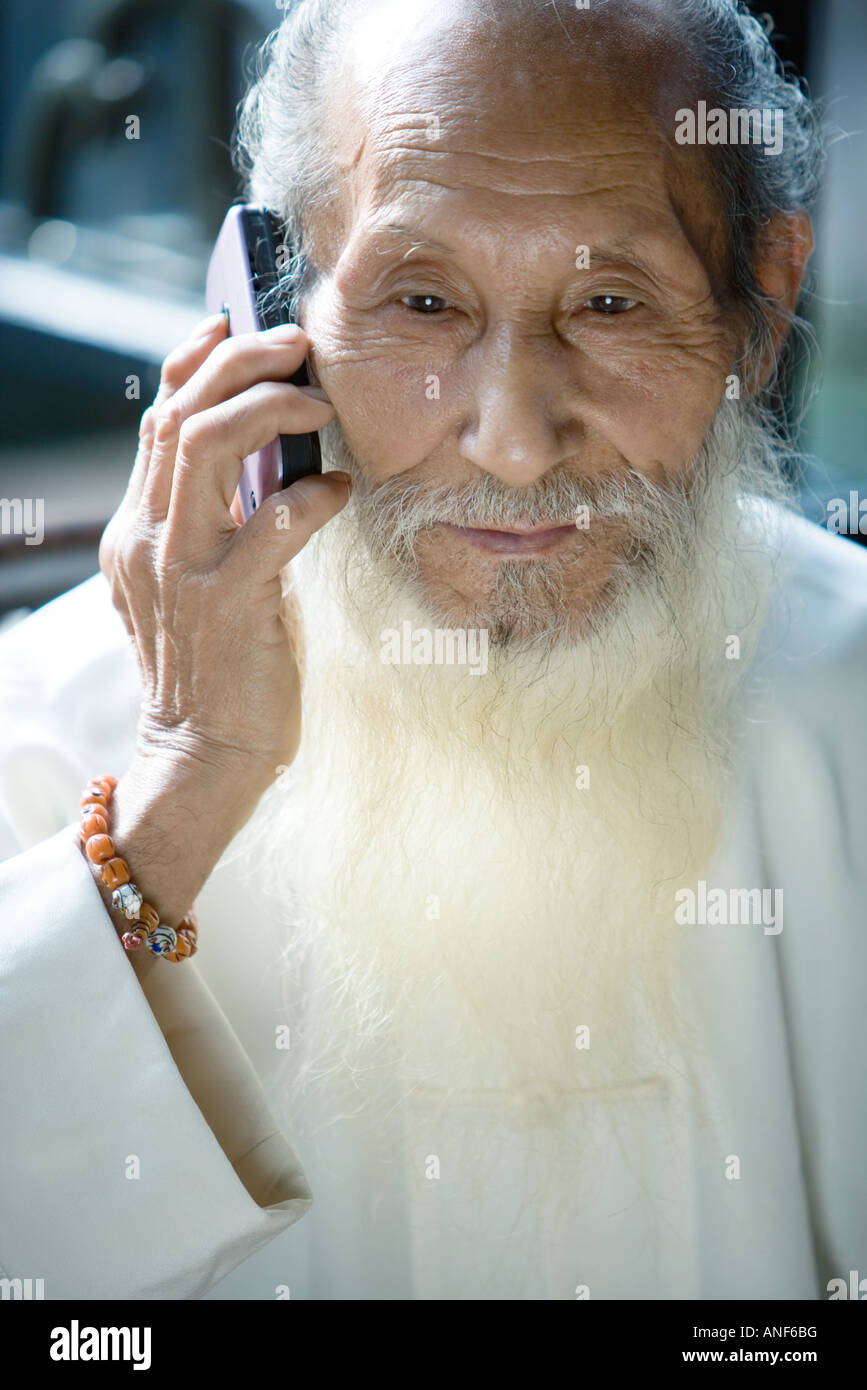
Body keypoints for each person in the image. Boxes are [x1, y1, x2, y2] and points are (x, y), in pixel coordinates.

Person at [1, 0, 865, 1301]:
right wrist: (185, 783)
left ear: (762, 301)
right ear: (274, 316)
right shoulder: (58, 722)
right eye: (422, 299)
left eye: (611, 299)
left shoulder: (846, 688)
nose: (515, 442)